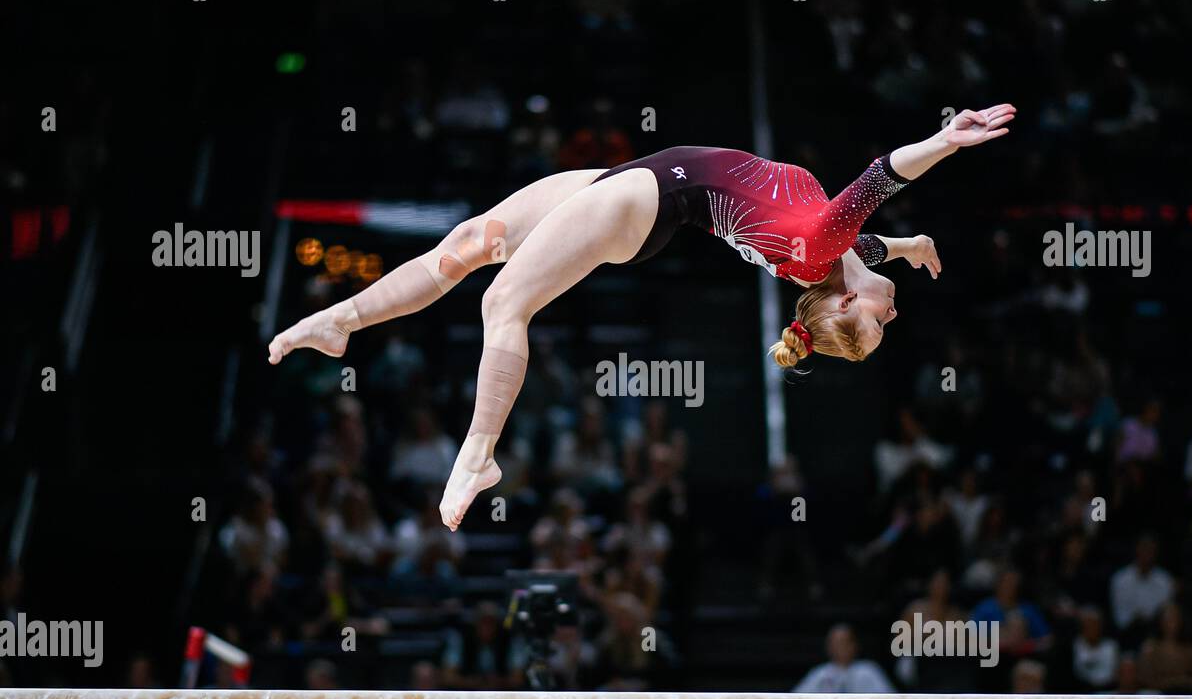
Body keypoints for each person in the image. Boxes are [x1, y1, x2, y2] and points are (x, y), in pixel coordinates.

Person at [269, 105, 1016, 529]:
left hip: (646, 201)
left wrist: (946, 142)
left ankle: (478, 453)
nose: (894, 315)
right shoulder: (832, 254)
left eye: (881, 326)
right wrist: (911, 242)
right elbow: (869, 233)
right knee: (468, 245)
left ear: (846, 302)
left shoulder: (821, 247)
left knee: (504, 301)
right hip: (637, 182)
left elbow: (879, 179)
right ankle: (344, 317)